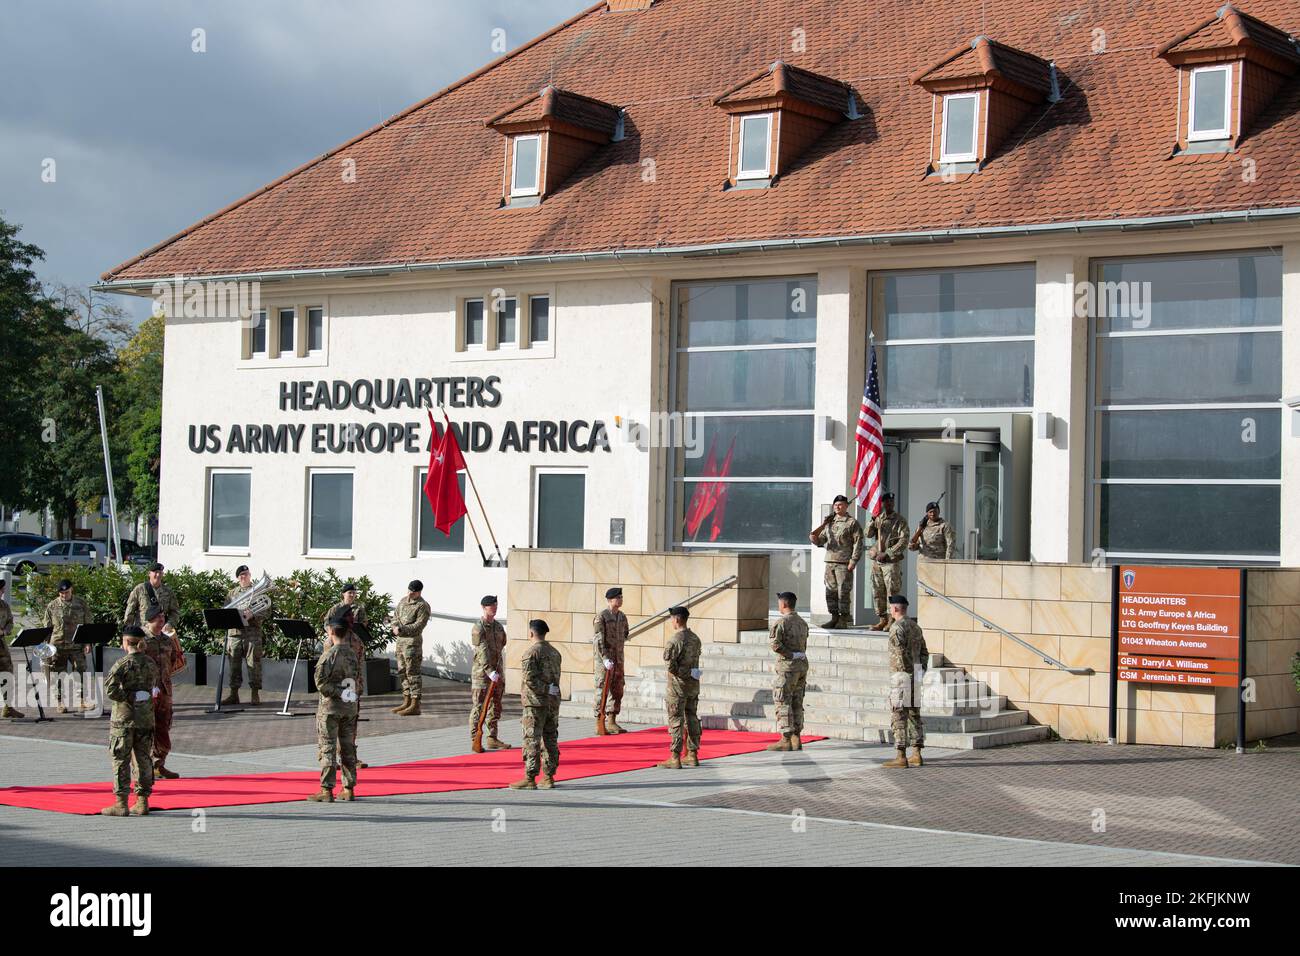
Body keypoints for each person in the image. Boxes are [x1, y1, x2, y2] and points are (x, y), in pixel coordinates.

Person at [100, 627, 161, 817]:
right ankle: (142, 802)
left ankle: (121, 803)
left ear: (126, 642)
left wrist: (129, 696)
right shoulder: (151, 663)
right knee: (143, 759)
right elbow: (153, 687)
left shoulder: (122, 664)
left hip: (124, 719)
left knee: (120, 759)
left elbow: (110, 690)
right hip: (145, 718)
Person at [308, 617, 360, 803]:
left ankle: (326, 789)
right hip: (349, 708)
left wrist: (337, 693)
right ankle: (348, 787)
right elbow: (357, 681)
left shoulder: (329, 655)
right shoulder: (353, 654)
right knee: (348, 748)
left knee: (328, 747)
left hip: (331, 708)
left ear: (331, 632)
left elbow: (320, 682)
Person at [511, 619, 562, 791]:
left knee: (531, 739)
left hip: (535, 703)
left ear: (531, 633)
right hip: (552, 703)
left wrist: (544, 689)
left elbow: (529, 679)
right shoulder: (555, 652)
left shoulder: (531, 653)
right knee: (550, 739)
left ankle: (530, 777)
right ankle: (549, 776)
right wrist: (550, 690)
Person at [882, 595, 928, 769]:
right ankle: (917, 753)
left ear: (894, 609)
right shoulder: (915, 627)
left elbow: (900, 654)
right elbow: (924, 652)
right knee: (915, 714)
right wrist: (919, 670)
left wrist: (905, 673)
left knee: (899, 715)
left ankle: (901, 755)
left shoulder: (896, 628)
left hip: (902, 676)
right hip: (915, 675)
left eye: (890, 607)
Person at [140, 603, 182, 779]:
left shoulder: (167, 640)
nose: (161, 620)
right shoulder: (141, 639)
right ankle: (144, 768)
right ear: (150, 620)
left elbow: (174, 661)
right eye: (158, 617)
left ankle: (159, 764)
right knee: (146, 729)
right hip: (146, 691)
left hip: (165, 690)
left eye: (163, 617)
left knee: (164, 727)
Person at [809, 494, 864, 629]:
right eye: (835, 505)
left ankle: (843, 619)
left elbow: (858, 543)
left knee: (843, 592)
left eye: (840, 504)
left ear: (846, 506)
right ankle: (834, 617)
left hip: (844, 562)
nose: (837, 507)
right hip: (830, 561)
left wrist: (853, 560)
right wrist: (814, 538)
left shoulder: (852, 523)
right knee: (830, 591)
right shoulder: (829, 522)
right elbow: (821, 540)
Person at [658, 606, 702, 769]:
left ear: (676, 619)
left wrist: (680, 674)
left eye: (671, 619)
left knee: (676, 719)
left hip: (678, 685)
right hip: (693, 683)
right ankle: (692, 753)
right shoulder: (695, 638)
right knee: (692, 716)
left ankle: (675, 756)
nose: (671, 622)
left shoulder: (676, 640)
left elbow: (670, 665)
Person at [766, 591, 809, 752]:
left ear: (783, 604)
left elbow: (775, 644)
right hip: (801, 666)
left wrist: (790, 654)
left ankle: (785, 738)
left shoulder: (781, 622)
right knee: (797, 701)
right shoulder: (802, 622)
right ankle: (796, 737)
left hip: (788, 667)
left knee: (783, 701)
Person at [43, 579, 93, 713]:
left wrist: (88, 643)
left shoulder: (81, 604)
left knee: (81, 671)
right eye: (61, 593)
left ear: (72, 590)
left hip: (76, 645)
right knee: (58, 674)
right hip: (58, 646)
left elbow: (88, 625)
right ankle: (60, 702)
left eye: (66, 592)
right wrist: (47, 647)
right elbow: (47, 627)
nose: (64, 595)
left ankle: (82, 701)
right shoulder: (52, 606)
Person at [469, 595, 511, 751]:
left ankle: (492, 737)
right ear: (483, 607)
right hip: (482, 674)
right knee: (479, 706)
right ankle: (475, 738)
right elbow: (481, 651)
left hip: (497, 673)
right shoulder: (478, 628)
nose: (494, 608)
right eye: (491, 606)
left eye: (495, 605)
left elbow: (502, 646)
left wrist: (497, 672)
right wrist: (489, 671)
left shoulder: (499, 627)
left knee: (496, 706)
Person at [224, 565, 270, 705]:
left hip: (252, 634)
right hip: (235, 634)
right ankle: (233, 694)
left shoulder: (256, 591)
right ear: (238, 578)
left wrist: (253, 614)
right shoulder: (231, 593)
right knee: (234, 666)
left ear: (250, 575)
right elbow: (225, 612)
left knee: (254, 664)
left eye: (246, 574)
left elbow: (266, 610)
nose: (244, 577)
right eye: (241, 575)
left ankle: (255, 694)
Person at [863, 492, 909, 630]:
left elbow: (904, 540)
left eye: (891, 501)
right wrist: (872, 520)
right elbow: (868, 533)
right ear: (882, 504)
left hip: (891, 561)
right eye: (886, 502)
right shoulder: (878, 518)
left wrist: (888, 553)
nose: (889, 504)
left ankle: (891, 619)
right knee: (877, 590)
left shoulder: (900, 520)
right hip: (877, 562)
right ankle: (882, 619)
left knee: (892, 591)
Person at [390, 580, 430, 716]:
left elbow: (418, 626)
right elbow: (395, 616)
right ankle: (406, 699)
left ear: (419, 592)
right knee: (402, 671)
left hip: (412, 643)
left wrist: (401, 629)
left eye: (413, 591)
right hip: (400, 642)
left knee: (412, 673)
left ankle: (415, 703)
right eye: (409, 590)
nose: (409, 593)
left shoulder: (422, 606)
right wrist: (394, 626)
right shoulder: (403, 601)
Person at [592, 586, 628, 734]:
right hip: (605, 661)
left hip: (618, 659)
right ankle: (599, 721)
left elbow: (625, 634)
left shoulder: (622, 616)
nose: (620, 600)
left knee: (617, 690)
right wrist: (606, 658)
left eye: (621, 597)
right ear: (609, 600)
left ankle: (612, 720)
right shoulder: (601, 617)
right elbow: (599, 640)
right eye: (617, 598)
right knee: (602, 690)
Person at [123, 563, 180, 629]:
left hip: (161, 632)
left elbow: (175, 611)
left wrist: (169, 624)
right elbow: (130, 610)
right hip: (142, 631)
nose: (158, 575)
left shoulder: (168, 592)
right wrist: (128, 629)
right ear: (149, 573)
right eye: (155, 572)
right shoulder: (140, 589)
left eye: (160, 572)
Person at [0, 578, 24, 718]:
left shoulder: (4, 605)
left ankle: (8, 708)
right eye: (1, 590)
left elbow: (10, 622)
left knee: (7, 676)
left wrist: (4, 631)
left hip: (2, 648)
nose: (3, 592)